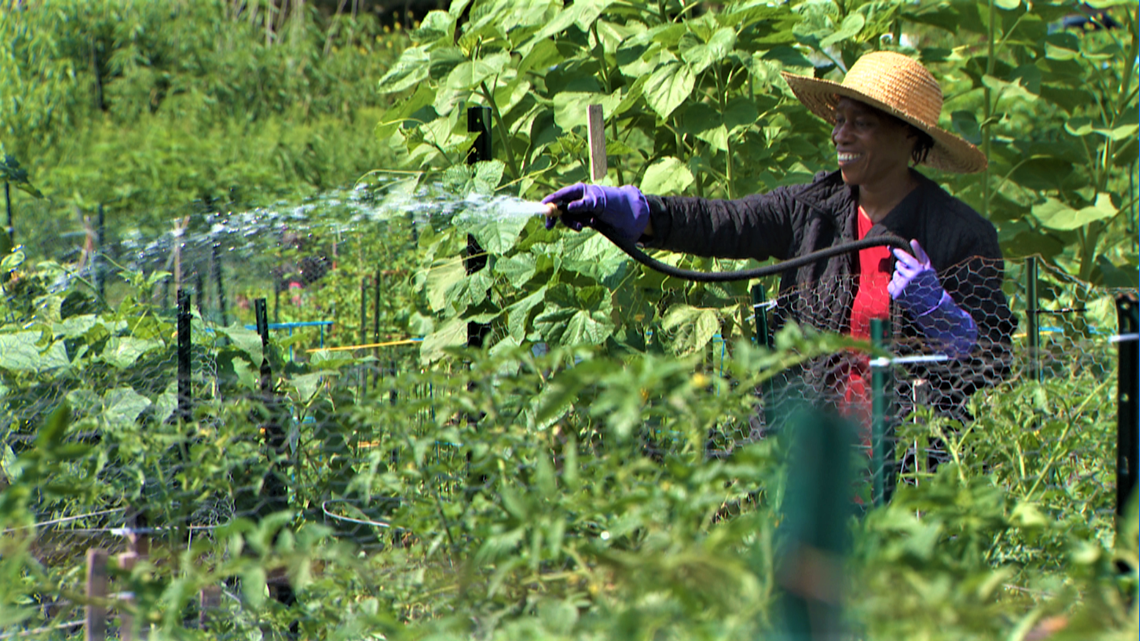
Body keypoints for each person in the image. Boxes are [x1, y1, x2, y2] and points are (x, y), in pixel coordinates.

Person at [543, 51, 1014, 425]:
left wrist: (945, 319)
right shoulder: (812, 210)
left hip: (910, 469)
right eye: (839, 120)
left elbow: (993, 367)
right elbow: (722, 223)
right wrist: (638, 211)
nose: (840, 135)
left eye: (861, 124)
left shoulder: (959, 234)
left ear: (910, 138)